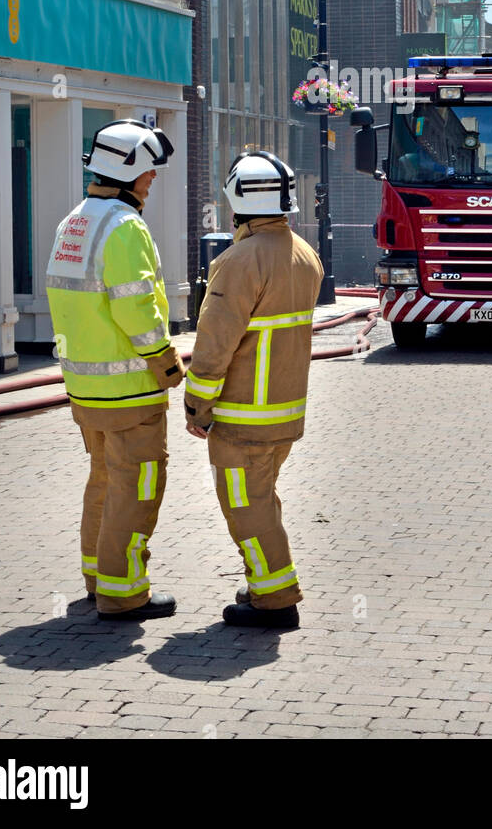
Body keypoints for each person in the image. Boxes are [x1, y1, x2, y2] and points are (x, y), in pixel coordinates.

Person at [46, 120, 184, 621]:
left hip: (86, 390)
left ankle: (96, 577)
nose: (152, 181)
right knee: (138, 486)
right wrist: (168, 366)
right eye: (149, 173)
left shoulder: (74, 223)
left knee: (103, 481)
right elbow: (136, 307)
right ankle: (123, 594)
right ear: (128, 174)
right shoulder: (125, 227)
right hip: (130, 390)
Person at [184, 151, 323, 629]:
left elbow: (214, 344)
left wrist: (196, 406)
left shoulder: (239, 261)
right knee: (261, 497)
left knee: (246, 507)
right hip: (284, 416)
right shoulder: (305, 255)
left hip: (243, 417)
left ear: (236, 201)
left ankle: (275, 600)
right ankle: (263, 582)